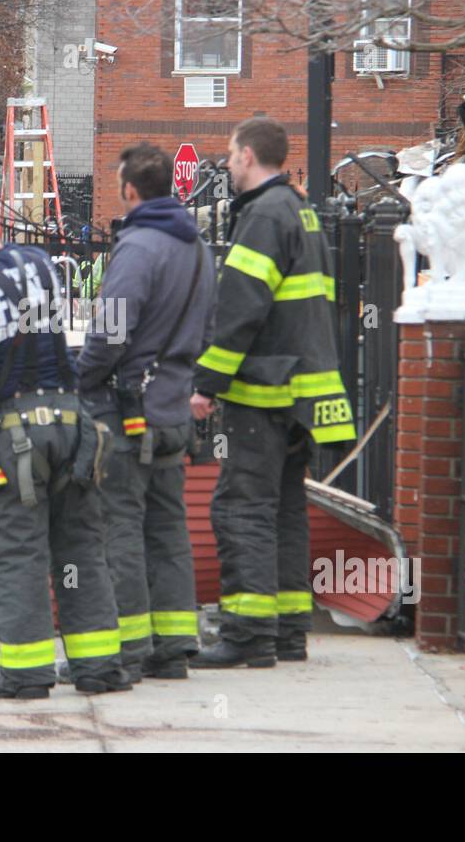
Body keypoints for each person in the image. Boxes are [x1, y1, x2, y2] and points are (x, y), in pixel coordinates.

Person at [0, 195, 130, 699]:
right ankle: (98, 666)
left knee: (19, 553)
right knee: (79, 548)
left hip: (11, 437)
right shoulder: (42, 267)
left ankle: (26, 672)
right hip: (71, 426)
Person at [189, 117, 357, 668]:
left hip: (264, 391)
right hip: (304, 393)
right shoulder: (301, 211)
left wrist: (206, 384)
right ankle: (287, 630)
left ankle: (247, 633)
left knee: (242, 508)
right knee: (285, 508)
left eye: (230, 153)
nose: (228, 163)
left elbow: (240, 310)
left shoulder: (263, 215)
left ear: (247, 156)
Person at [78, 143, 216, 681]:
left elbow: (109, 334)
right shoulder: (197, 248)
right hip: (174, 409)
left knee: (121, 527)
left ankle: (126, 650)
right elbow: (207, 329)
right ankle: (174, 643)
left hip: (127, 411)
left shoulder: (136, 249)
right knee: (167, 525)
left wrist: (84, 377)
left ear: (130, 190)